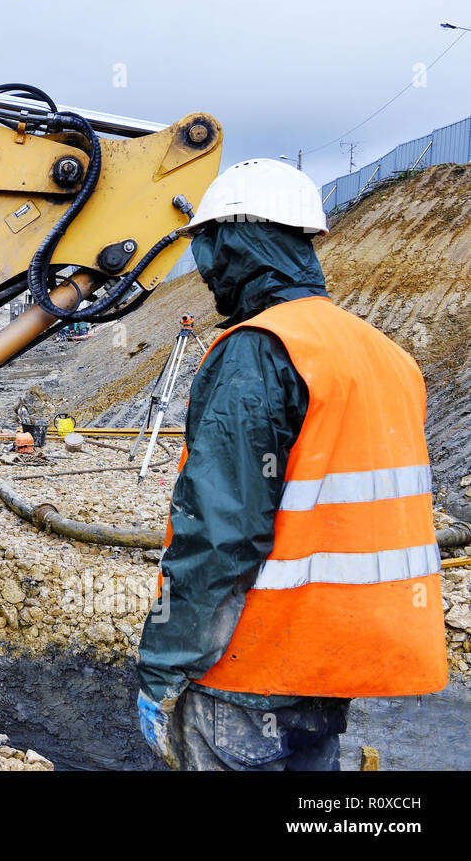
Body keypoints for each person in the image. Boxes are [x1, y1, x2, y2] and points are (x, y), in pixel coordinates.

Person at [136, 158, 446, 771]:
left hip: (255, 662)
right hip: (339, 658)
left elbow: (220, 534)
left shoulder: (261, 350)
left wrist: (163, 667)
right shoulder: (383, 353)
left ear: (232, 244)